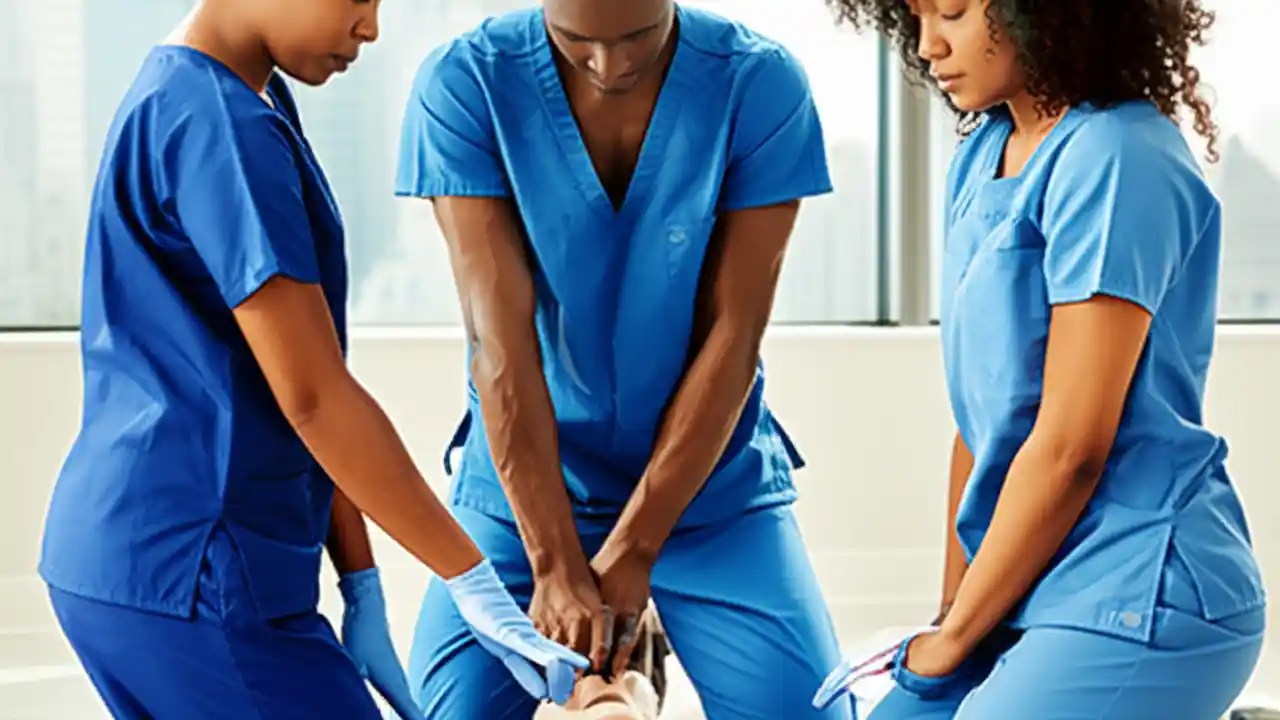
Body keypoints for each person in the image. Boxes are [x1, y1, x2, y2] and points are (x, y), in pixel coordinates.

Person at [37, 1, 587, 718]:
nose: (371, 28)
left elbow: (295, 392)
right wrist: (473, 584)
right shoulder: (222, 125)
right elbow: (316, 397)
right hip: (199, 574)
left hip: (126, 560)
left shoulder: (216, 93)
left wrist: (360, 581)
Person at [395, 0, 850, 717]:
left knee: (810, 711)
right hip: (527, 491)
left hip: (708, 487)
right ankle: (631, 676)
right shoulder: (467, 82)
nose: (609, 67)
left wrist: (635, 549)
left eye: (637, 37)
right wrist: (550, 562)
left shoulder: (759, 84)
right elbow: (500, 347)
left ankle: (636, 654)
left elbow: (732, 339)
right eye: (577, 42)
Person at [813, 1, 1267, 718]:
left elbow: (1070, 449)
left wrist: (959, 634)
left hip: (1142, 585)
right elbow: (980, 419)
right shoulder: (981, 154)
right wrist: (952, 612)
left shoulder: (1120, 156)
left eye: (954, 12)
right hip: (1030, 576)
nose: (929, 45)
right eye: (916, 16)